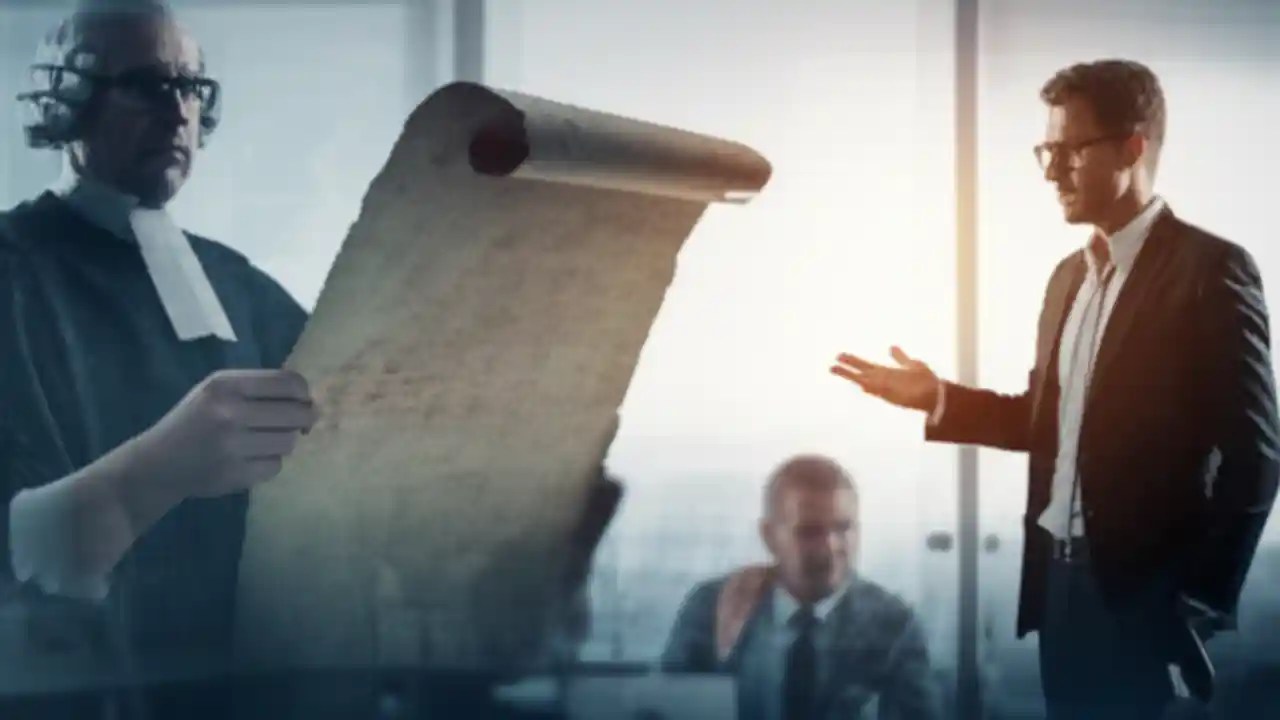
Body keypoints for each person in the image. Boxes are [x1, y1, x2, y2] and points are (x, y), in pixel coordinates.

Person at [0, 3, 619, 718]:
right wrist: (160, 467)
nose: (178, 114)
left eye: (191, 89)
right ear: (65, 102)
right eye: (145, 85)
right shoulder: (16, 275)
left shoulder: (238, 286)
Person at [830, 59, 1279, 719]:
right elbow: (1047, 425)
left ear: (1132, 147)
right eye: (1047, 150)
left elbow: (1256, 458)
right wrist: (936, 397)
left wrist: (1197, 605)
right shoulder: (1068, 279)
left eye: (1070, 151)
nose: (1050, 171)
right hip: (1059, 589)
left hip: (1144, 601)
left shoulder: (1210, 272)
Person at [661, 454, 940, 720]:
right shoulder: (714, 608)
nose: (831, 548)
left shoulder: (893, 624)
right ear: (769, 536)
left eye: (843, 529)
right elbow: (667, 707)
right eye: (809, 531)